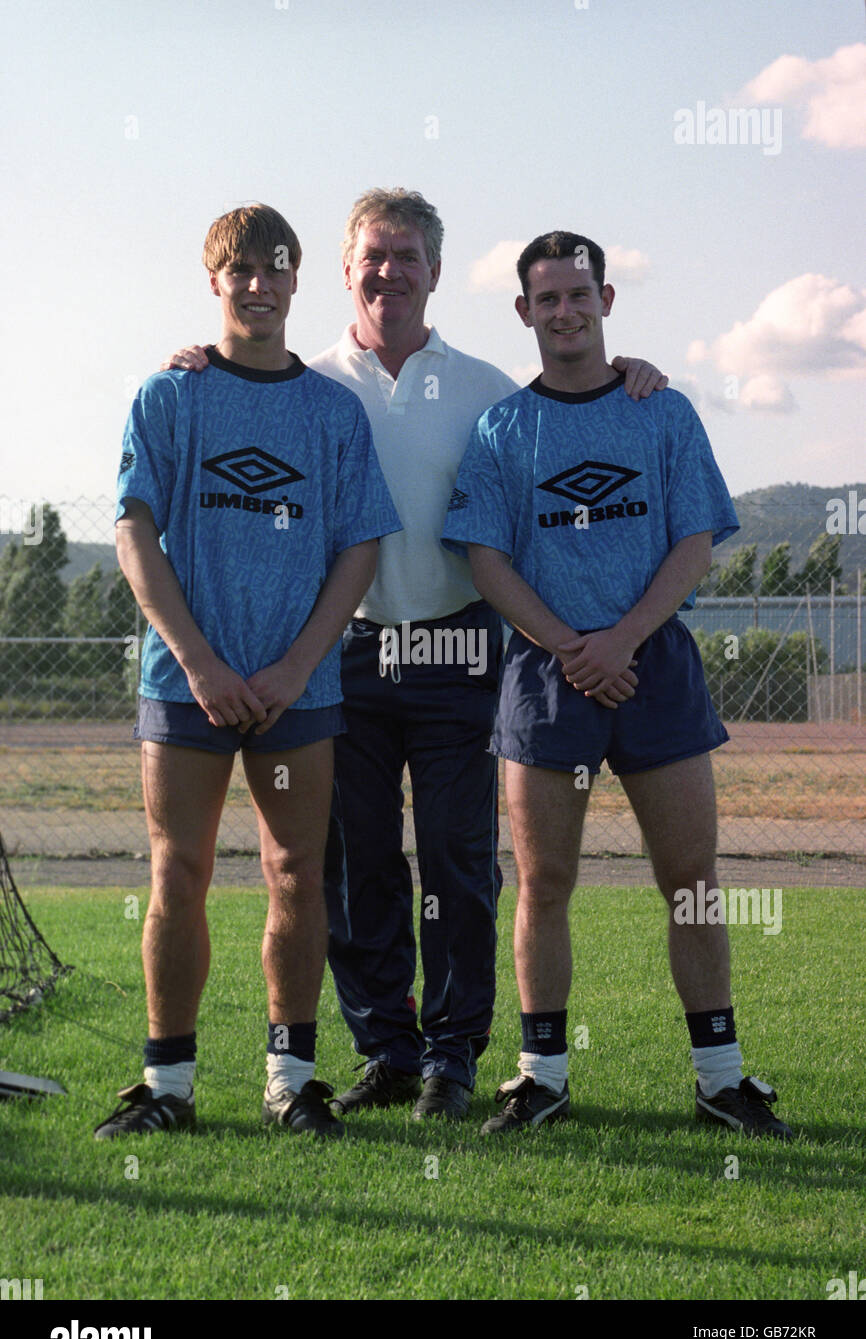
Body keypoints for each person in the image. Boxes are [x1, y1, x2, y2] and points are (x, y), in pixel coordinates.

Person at [161, 189, 667, 1122]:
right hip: (341, 650)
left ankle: (452, 1055)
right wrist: (197, 361)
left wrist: (631, 368)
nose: (388, 271)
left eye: (407, 256)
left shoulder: (483, 388)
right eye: (372, 256)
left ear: (435, 271)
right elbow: (228, 386)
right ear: (344, 271)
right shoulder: (303, 382)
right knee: (352, 866)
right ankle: (385, 1049)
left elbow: (567, 405)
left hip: (461, 647)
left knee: (458, 858)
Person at [442, 230, 792, 1140]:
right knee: (544, 881)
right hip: (547, 673)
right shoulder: (502, 429)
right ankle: (540, 1079)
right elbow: (486, 558)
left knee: (692, 881)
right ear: (524, 312)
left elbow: (693, 539)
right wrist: (570, 646)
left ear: (607, 300)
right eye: (547, 298)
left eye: (579, 293)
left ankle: (722, 1078)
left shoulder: (661, 412)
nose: (565, 311)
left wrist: (622, 640)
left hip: (655, 664)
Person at [95, 203, 401, 1142]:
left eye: (276, 268)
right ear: (215, 279)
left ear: (299, 280)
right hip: (185, 683)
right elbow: (133, 530)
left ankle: (291, 1080)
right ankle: (168, 1085)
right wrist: (197, 659)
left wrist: (296, 665)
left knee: (295, 875)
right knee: (177, 872)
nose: (258, 284)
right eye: (241, 269)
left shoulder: (331, 411)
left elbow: (359, 549)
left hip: (294, 690)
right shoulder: (170, 396)